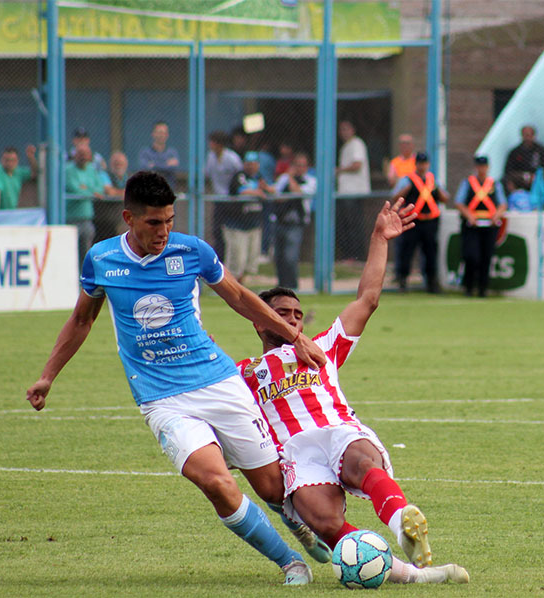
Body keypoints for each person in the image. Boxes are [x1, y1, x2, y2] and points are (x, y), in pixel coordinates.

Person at [25, 171, 330, 586]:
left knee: (273, 488)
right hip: (161, 398)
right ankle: (290, 563)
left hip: (218, 382)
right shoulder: (102, 259)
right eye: (154, 222)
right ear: (129, 217)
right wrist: (48, 377)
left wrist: (295, 337)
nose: (164, 231)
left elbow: (239, 296)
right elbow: (82, 319)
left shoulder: (193, 251)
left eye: (170, 220)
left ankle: (292, 519)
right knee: (216, 483)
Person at [236, 199, 470, 585]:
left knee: (363, 461)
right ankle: (418, 576)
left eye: (297, 313)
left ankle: (401, 524)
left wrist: (380, 237)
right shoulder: (244, 373)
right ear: (261, 323)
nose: (293, 319)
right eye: (282, 313)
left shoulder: (322, 347)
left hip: (338, 431)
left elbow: (368, 299)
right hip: (296, 451)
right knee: (324, 521)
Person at [391, 151, 450, 294]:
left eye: (424, 164)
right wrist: (406, 190)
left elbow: (445, 198)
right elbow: (395, 196)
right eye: (419, 164)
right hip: (413, 221)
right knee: (407, 251)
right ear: (415, 164)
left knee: (430, 252)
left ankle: (431, 282)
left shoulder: (434, 180)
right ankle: (403, 280)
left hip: (430, 221)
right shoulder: (407, 180)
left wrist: (437, 189)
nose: (422, 166)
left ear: (428, 164)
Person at [454, 156, 506, 297]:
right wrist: (469, 216)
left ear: (487, 167)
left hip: (489, 225)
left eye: (484, 166)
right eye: (479, 166)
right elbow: (459, 202)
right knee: (471, 256)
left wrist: (497, 215)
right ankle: (469, 286)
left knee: (486, 257)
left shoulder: (495, 184)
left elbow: (502, 204)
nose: (481, 169)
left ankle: (483, 288)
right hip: (472, 225)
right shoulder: (468, 183)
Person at [271, 152, 317, 290]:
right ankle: (281, 286)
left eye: (303, 165)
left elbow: (297, 192)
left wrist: (290, 177)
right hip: (280, 221)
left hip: (295, 224)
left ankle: (292, 287)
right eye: (297, 165)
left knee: (290, 257)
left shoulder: (311, 181)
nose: (300, 168)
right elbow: (276, 195)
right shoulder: (284, 178)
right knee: (278, 257)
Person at [225, 152, 271, 283]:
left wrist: (266, 188)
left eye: (254, 164)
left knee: (250, 262)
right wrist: (258, 191)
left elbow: (270, 190)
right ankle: (231, 286)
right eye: (248, 164)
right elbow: (241, 190)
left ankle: (240, 286)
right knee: (237, 260)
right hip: (237, 225)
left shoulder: (259, 177)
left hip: (254, 224)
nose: (251, 167)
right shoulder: (239, 176)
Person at [335, 120, 371, 260]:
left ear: (352, 130)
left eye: (346, 129)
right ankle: (349, 255)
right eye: (341, 129)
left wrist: (339, 170)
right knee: (344, 224)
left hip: (354, 191)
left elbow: (357, 165)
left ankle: (356, 256)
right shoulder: (346, 146)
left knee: (353, 225)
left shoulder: (357, 144)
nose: (343, 132)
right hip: (344, 192)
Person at [64, 146, 103, 266]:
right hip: (71, 220)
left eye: (86, 154)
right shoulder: (68, 170)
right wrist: (91, 192)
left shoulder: (91, 170)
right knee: (70, 252)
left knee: (87, 253)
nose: (83, 157)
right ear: (75, 155)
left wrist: (85, 189)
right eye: (80, 154)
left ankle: (84, 279)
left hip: (87, 219)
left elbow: (100, 189)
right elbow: (74, 189)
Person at [0, 145, 39, 210]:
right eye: (7, 160)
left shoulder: (19, 172)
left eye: (13, 160)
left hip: (9, 214)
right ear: (2, 160)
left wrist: (31, 157)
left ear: (17, 161)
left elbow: (35, 173)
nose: (10, 163)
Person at [503, 125, 544, 195]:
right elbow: (508, 170)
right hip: (520, 179)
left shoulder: (541, 150)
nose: (527, 138)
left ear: (534, 136)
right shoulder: (515, 152)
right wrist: (522, 176)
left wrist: (536, 176)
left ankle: (542, 204)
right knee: (504, 181)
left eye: (529, 135)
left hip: (536, 179)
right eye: (525, 135)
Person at [138, 121, 181, 190]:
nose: (161, 135)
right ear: (153, 134)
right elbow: (146, 169)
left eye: (164, 133)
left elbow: (174, 167)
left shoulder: (172, 152)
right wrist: (166, 165)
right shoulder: (145, 152)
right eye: (159, 132)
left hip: (168, 191)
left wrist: (154, 165)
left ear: (167, 135)